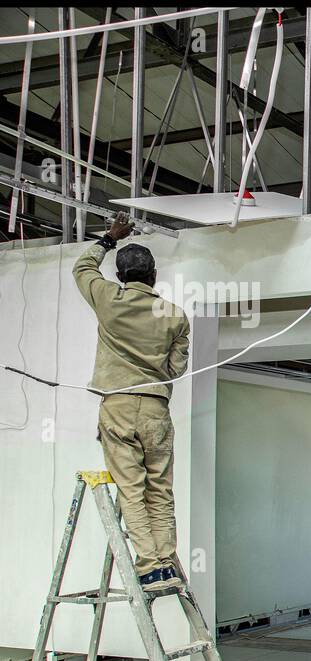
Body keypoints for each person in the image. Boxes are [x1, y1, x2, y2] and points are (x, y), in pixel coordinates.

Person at [73, 212, 191, 593]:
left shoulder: (109, 299)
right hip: (156, 409)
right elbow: (175, 369)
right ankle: (167, 561)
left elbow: (82, 266)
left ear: (122, 277)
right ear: (154, 277)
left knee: (131, 488)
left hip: (118, 405)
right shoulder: (174, 315)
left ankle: (149, 566)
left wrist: (110, 237)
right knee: (160, 488)